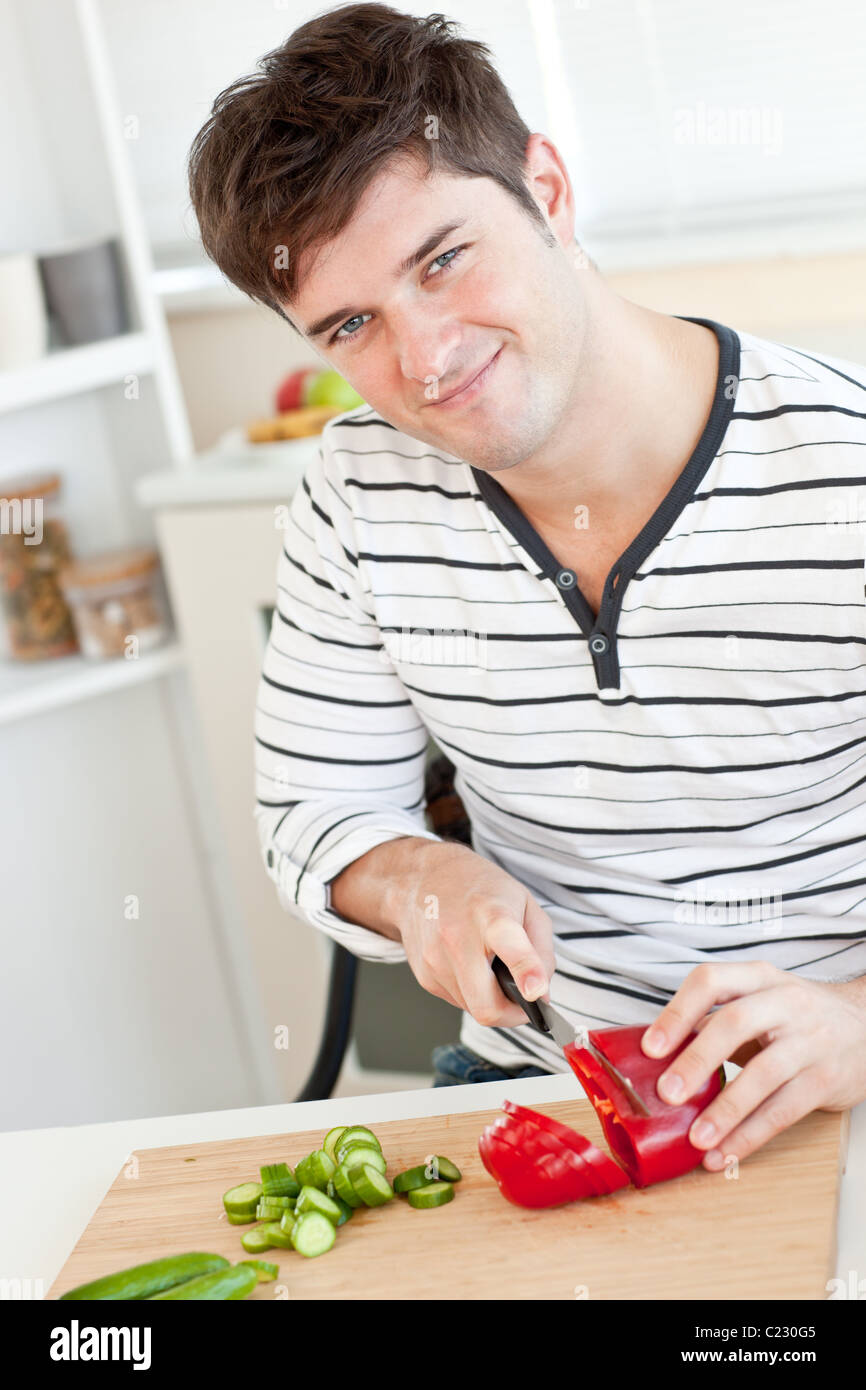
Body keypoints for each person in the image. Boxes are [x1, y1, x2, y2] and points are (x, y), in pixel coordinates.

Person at [188, 4, 866, 1162]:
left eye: (442, 260)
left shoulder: (841, 467)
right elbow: (314, 810)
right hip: (547, 1087)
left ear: (544, 190)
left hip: (830, 1091)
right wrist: (421, 883)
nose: (424, 358)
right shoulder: (357, 491)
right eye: (352, 323)